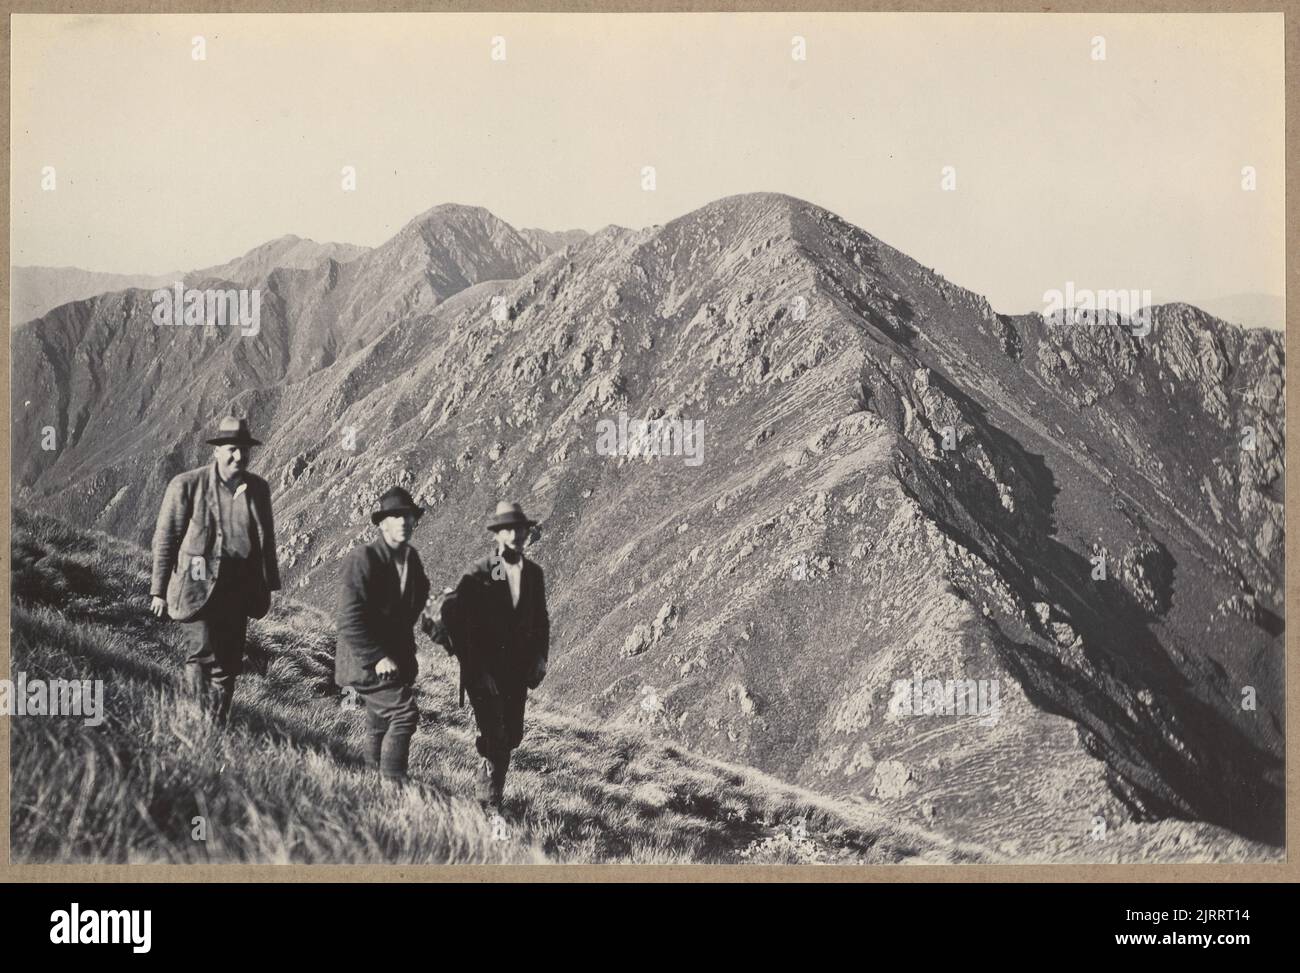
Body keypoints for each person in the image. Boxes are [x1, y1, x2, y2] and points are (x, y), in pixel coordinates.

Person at [150, 416, 281, 723]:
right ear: (217, 451)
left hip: (238, 588)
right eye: (233, 450)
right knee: (203, 654)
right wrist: (158, 591)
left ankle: (214, 725)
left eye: (244, 451)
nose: (239, 457)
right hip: (196, 583)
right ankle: (194, 723)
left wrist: (266, 589)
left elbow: (266, 539)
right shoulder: (186, 485)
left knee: (229, 663)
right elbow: (165, 538)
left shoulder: (257, 489)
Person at [445, 501, 549, 810]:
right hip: (486, 673)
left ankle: (489, 791)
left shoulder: (534, 574)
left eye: (520, 528)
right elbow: (461, 624)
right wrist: (477, 671)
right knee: (497, 736)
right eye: (508, 529)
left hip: (517, 672)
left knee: (512, 735)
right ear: (498, 535)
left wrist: (541, 657)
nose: (516, 535)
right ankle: (488, 804)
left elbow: (541, 619)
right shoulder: (483, 573)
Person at [335, 487, 431, 784]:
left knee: (379, 721)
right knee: (404, 714)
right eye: (395, 516)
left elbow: (418, 597)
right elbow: (348, 619)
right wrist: (377, 657)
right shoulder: (363, 558)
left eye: (408, 516)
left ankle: (371, 782)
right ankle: (393, 786)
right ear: (381, 523)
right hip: (365, 662)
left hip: (394, 661)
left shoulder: (411, 559)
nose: (403, 522)